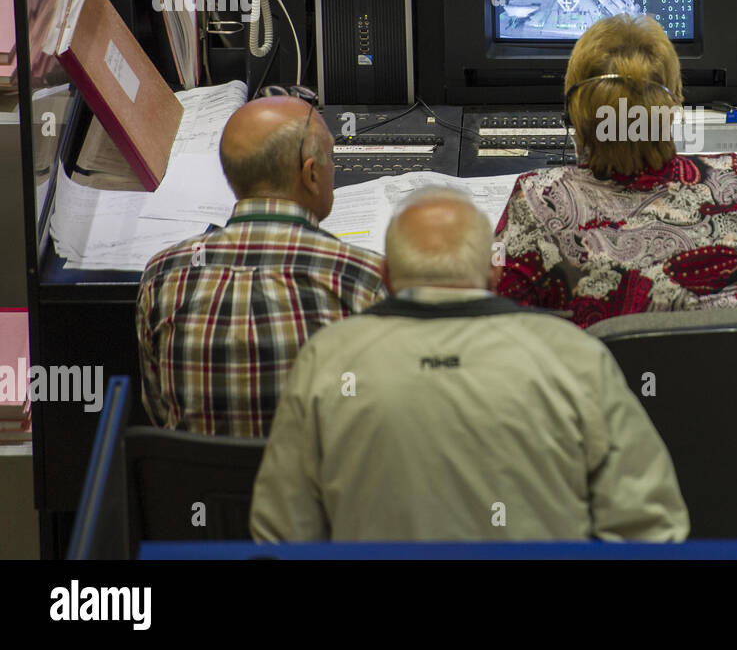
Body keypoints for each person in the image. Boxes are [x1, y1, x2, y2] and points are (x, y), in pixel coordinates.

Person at [249, 187, 689, 542]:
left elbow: (283, 533)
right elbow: (650, 526)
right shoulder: (573, 355)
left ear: (385, 278)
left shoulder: (327, 360)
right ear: (495, 273)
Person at [494, 14, 737, 328]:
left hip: (604, 388)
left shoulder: (536, 201)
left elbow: (500, 321)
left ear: (574, 113)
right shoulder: (733, 180)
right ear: (673, 108)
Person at [136, 96, 384, 437]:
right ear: (311, 173)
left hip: (202, 488)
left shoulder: (162, 276)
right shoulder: (365, 278)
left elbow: (159, 410)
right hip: (323, 489)